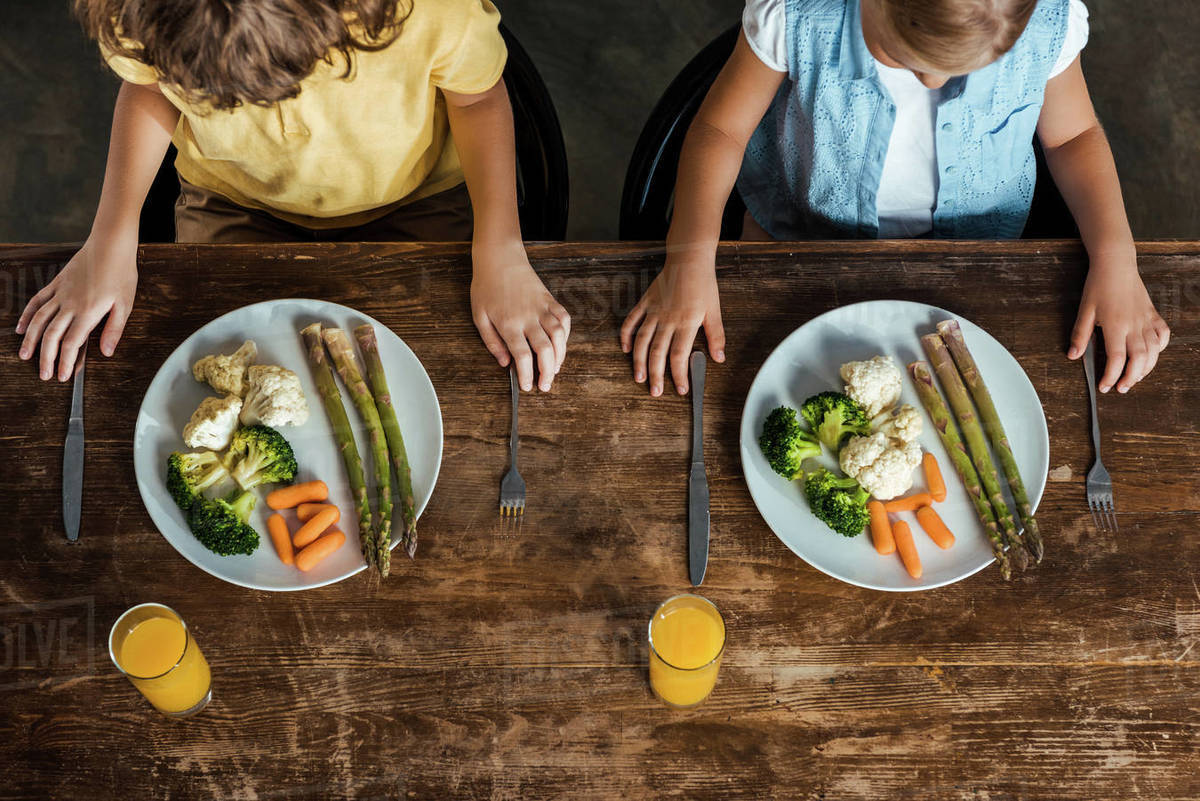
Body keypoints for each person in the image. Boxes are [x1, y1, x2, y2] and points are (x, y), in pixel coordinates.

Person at [621, 0, 1169, 397]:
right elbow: (720, 132)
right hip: (799, 237)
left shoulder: (1050, 18)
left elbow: (1073, 137)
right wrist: (690, 259)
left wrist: (1117, 261)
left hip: (973, 261)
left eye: (964, 69)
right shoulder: (798, 14)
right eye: (910, 59)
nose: (933, 83)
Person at [16, 0, 569, 393]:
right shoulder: (143, 9)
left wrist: (502, 250)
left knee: (442, 374)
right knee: (209, 373)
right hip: (231, 201)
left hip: (417, 199)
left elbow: (477, 102)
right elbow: (146, 88)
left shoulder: (434, 11)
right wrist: (110, 238)